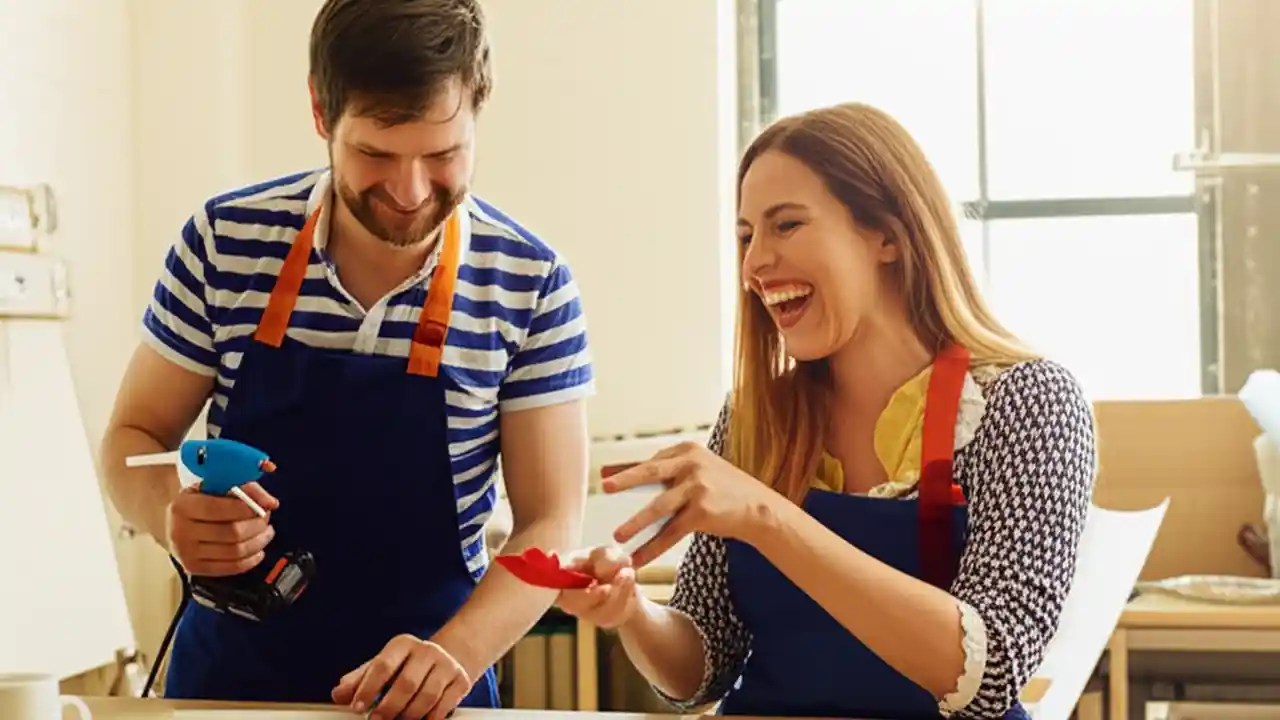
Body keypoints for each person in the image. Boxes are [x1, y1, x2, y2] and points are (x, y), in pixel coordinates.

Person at [99, 1, 594, 718]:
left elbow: (551, 526)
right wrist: (166, 508)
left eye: (444, 155)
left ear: (478, 112)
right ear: (320, 111)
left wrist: (456, 653)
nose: (410, 191)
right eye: (376, 155)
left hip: (430, 692)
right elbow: (131, 441)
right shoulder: (223, 241)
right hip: (231, 686)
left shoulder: (530, 281)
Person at [554, 103, 1096, 720]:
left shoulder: (1030, 405)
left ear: (887, 235)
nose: (754, 263)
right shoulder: (755, 416)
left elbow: (987, 673)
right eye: (745, 236)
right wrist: (632, 613)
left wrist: (767, 517)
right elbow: (700, 674)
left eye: (786, 225)